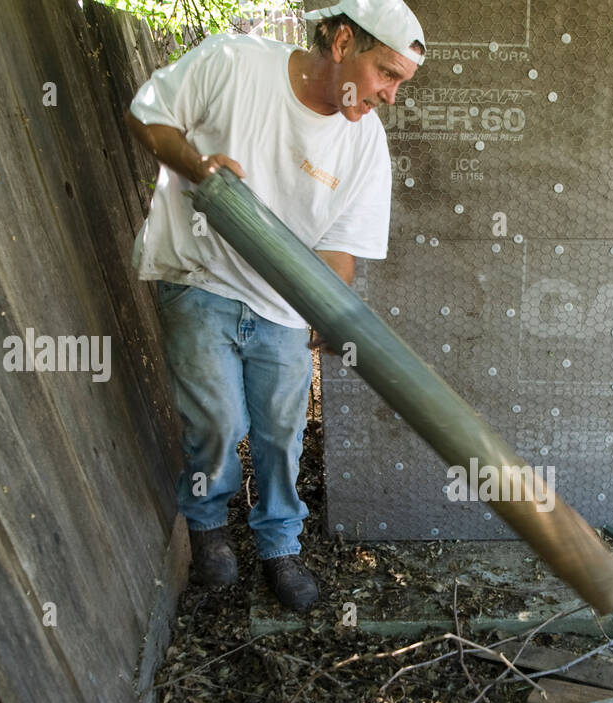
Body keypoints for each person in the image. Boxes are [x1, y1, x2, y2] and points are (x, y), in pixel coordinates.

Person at [125, 0, 424, 610]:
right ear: (342, 43)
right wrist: (195, 163)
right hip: (199, 274)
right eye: (386, 74)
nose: (390, 95)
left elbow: (340, 249)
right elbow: (147, 116)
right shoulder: (233, 64)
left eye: (399, 83)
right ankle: (207, 528)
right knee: (219, 422)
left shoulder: (364, 145)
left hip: (283, 306)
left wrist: (325, 308)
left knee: (281, 433)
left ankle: (279, 544)